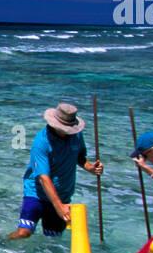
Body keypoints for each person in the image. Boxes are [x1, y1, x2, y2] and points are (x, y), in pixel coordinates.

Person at [10, 102, 103, 239]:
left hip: (63, 194)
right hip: (37, 193)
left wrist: (91, 168)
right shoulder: (41, 142)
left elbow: (79, 156)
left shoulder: (76, 135)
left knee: (53, 239)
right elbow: (43, 177)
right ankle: (1, 242)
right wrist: (59, 207)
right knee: (24, 233)